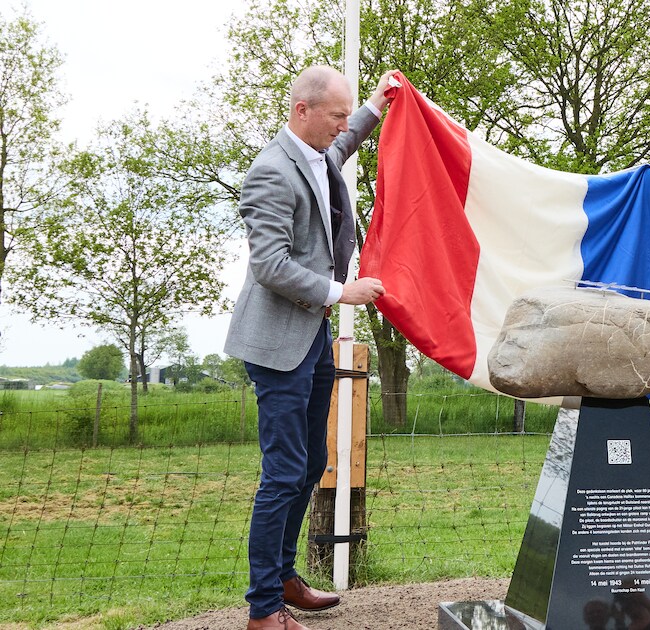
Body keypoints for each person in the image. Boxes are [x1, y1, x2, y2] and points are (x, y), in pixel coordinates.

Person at [224, 65, 399, 630]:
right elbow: (270, 265)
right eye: (336, 114)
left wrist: (375, 104)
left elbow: (345, 142)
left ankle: (283, 577)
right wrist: (341, 292)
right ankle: (262, 608)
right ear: (302, 111)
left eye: (349, 115)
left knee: (313, 464)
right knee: (283, 471)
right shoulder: (271, 172)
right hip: (277, 342)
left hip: (312, 337)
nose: (343, 126)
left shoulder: (320, 153)